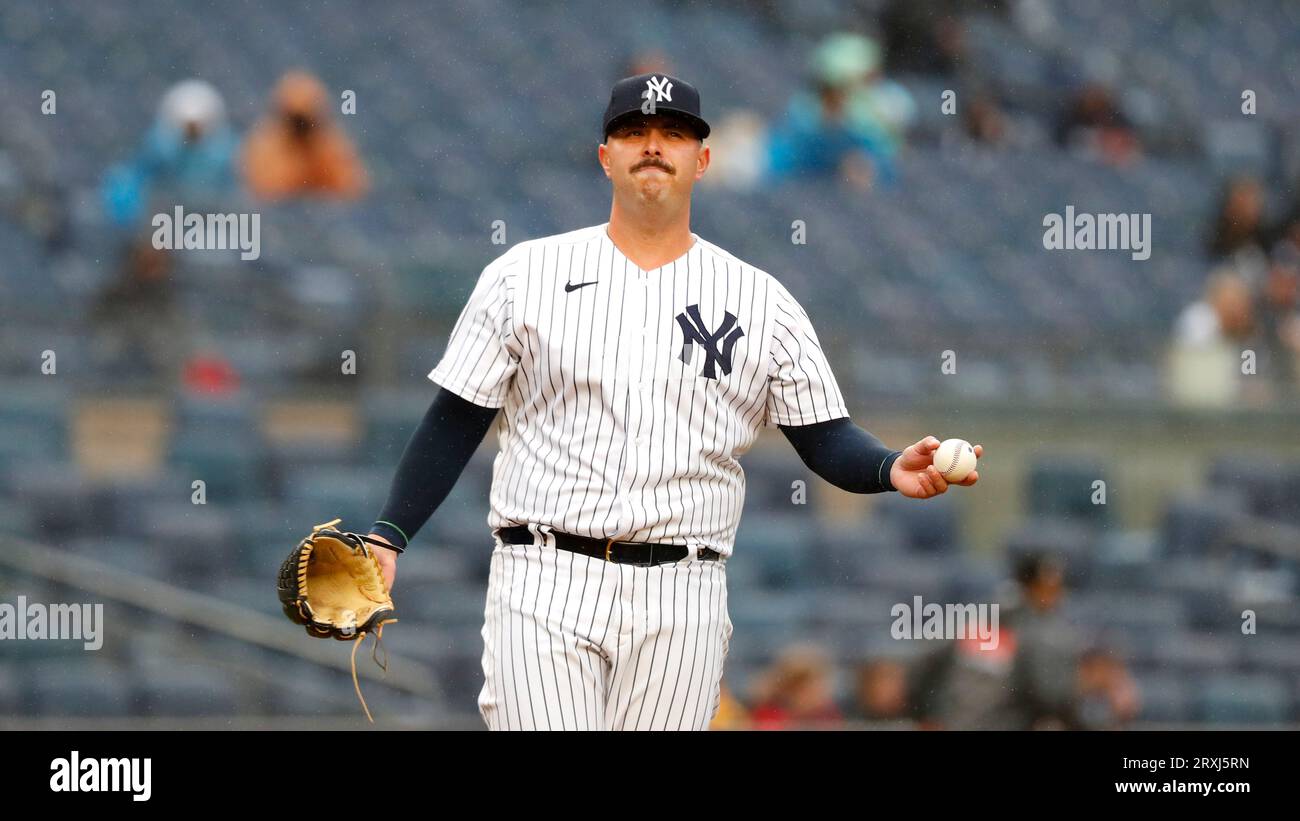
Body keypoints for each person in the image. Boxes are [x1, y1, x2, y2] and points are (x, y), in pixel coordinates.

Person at [360, 73, 982, 730]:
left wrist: (889, 466)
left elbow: (824, 435)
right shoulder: (522, 276)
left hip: (684, 589)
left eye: (673, 134)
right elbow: (457, 418)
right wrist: (390, 531)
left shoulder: (760, 300)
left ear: (702, 159)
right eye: (633, 131)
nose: (652, 145)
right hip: (543, 575)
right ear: (606, 156)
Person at [102, 79, 237, 227]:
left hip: (209, 225)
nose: (191, 134)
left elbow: (238, 192)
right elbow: (130, 192)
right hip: (165, 226)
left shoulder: (224, 153)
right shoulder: (159, 150)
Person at [241, 70, 368, 201]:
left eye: (305, 121)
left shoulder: (331, 146)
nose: (300, 127)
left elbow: (351, 187)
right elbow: (266, 189)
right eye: (295, 120)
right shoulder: (265, 146)